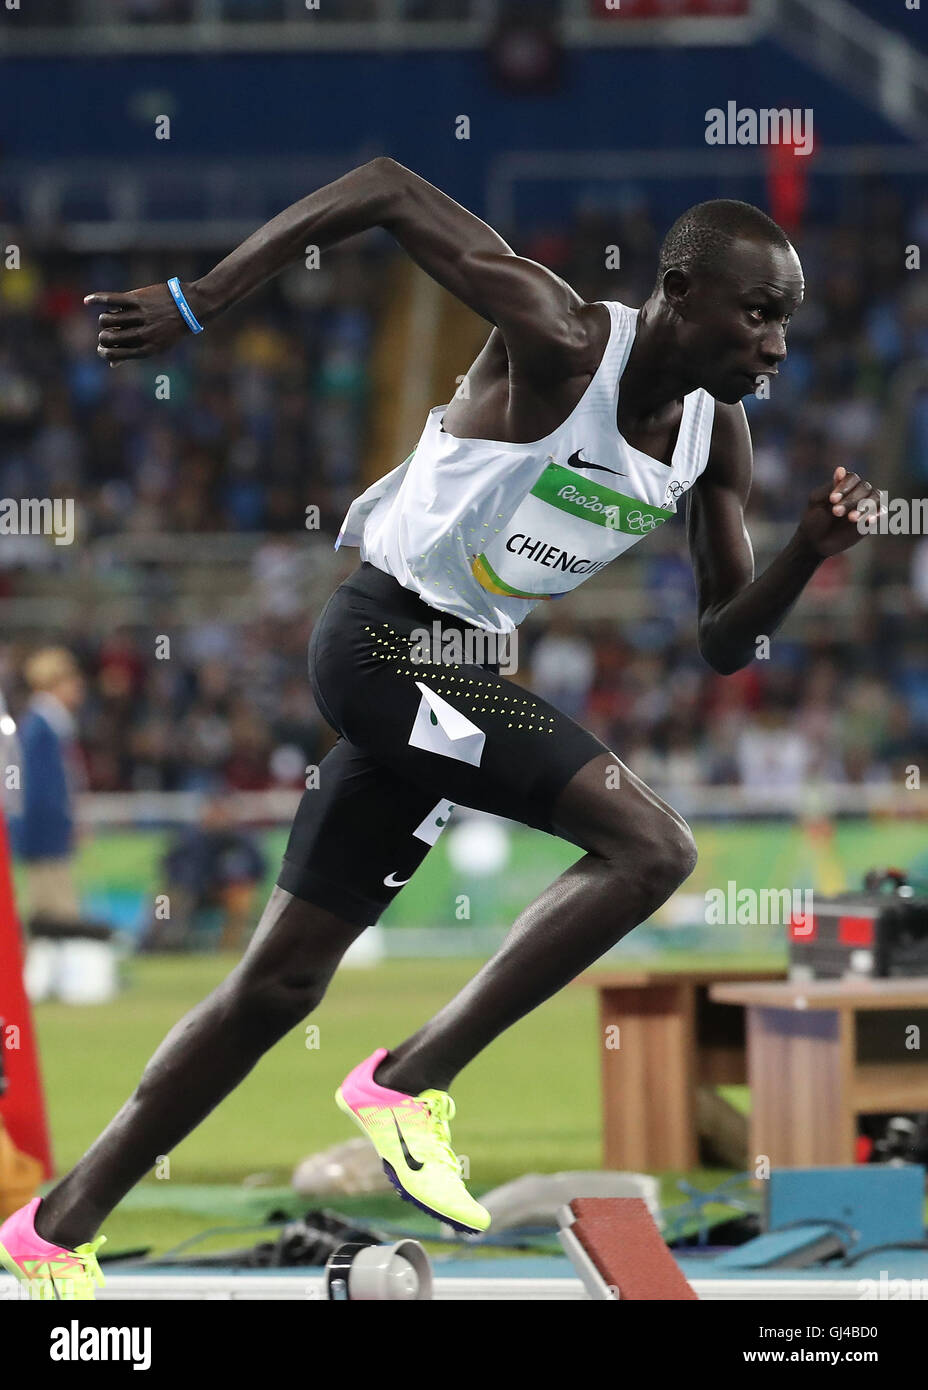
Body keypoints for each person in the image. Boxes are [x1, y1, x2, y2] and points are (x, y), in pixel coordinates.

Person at [0, 159, 880, 1298]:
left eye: (788, 322)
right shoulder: (562, 339)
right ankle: (410, 1080)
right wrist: (202, 298)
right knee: (652, 847)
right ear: (679, 289)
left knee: (276, 989)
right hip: (379, 641)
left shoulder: (717, 441)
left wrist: (806, 551)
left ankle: (53, 1230)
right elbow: (383, 187)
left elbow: (719, 637)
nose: (773, 343)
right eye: (756, 311)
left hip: (454, 670)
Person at [8, 648, 86, 929]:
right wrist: (62, 826)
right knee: (57, 914)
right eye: (72, 681)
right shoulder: (40, 727)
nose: (79, 687)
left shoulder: (50, 725)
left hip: (47, 834)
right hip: (45, 836)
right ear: (55, 683)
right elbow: (39, 792)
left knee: (54, 911)